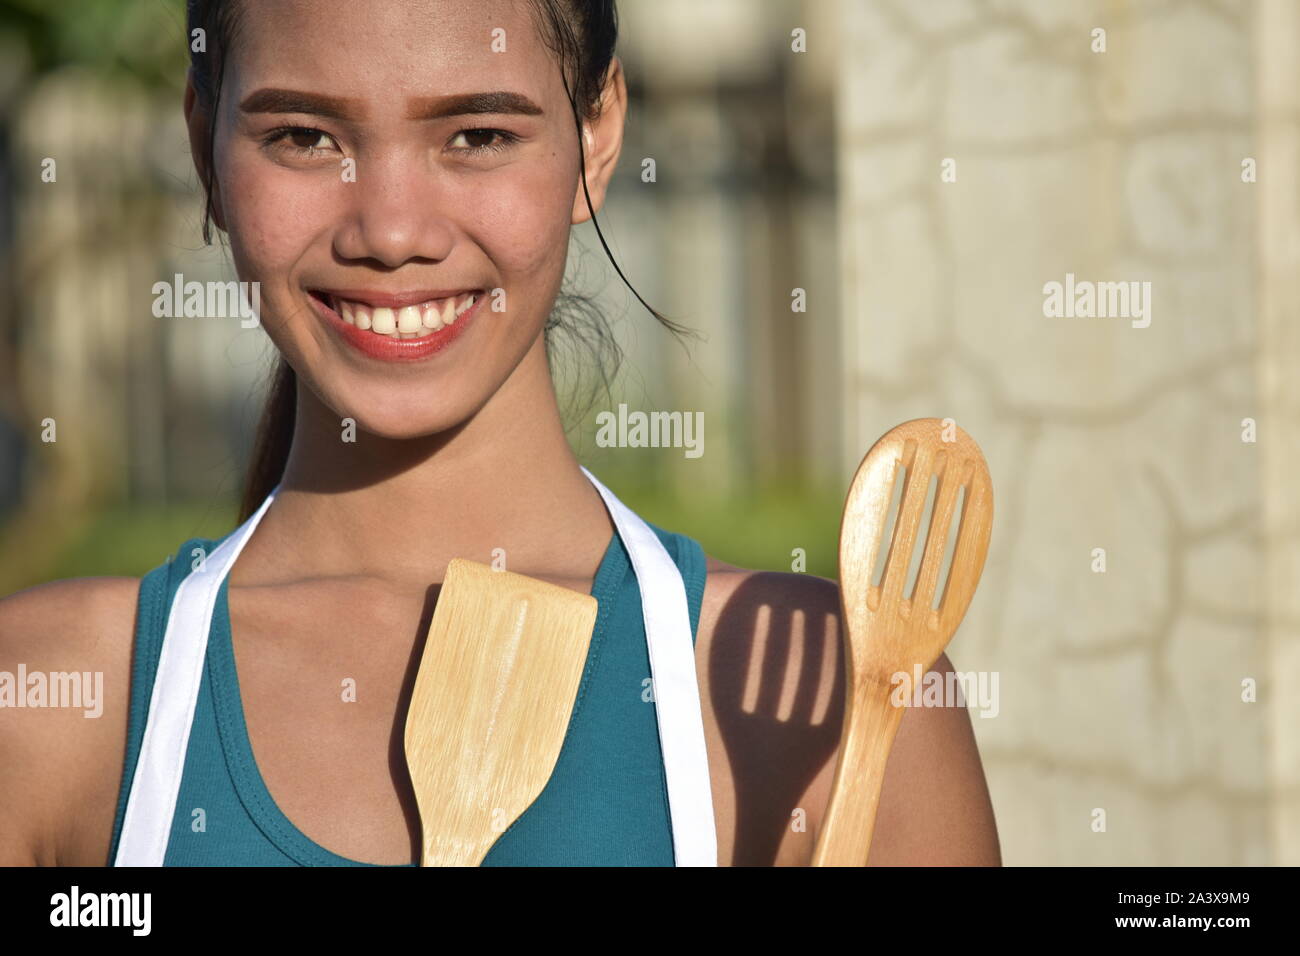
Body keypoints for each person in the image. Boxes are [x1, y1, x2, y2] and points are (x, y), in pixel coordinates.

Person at [0, 0, 1000, 866]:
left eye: (475, 135)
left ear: (597, 133)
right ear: (202, 145)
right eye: (305, 135)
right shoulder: (46, 703)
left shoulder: (843, 698)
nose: (391, 230)